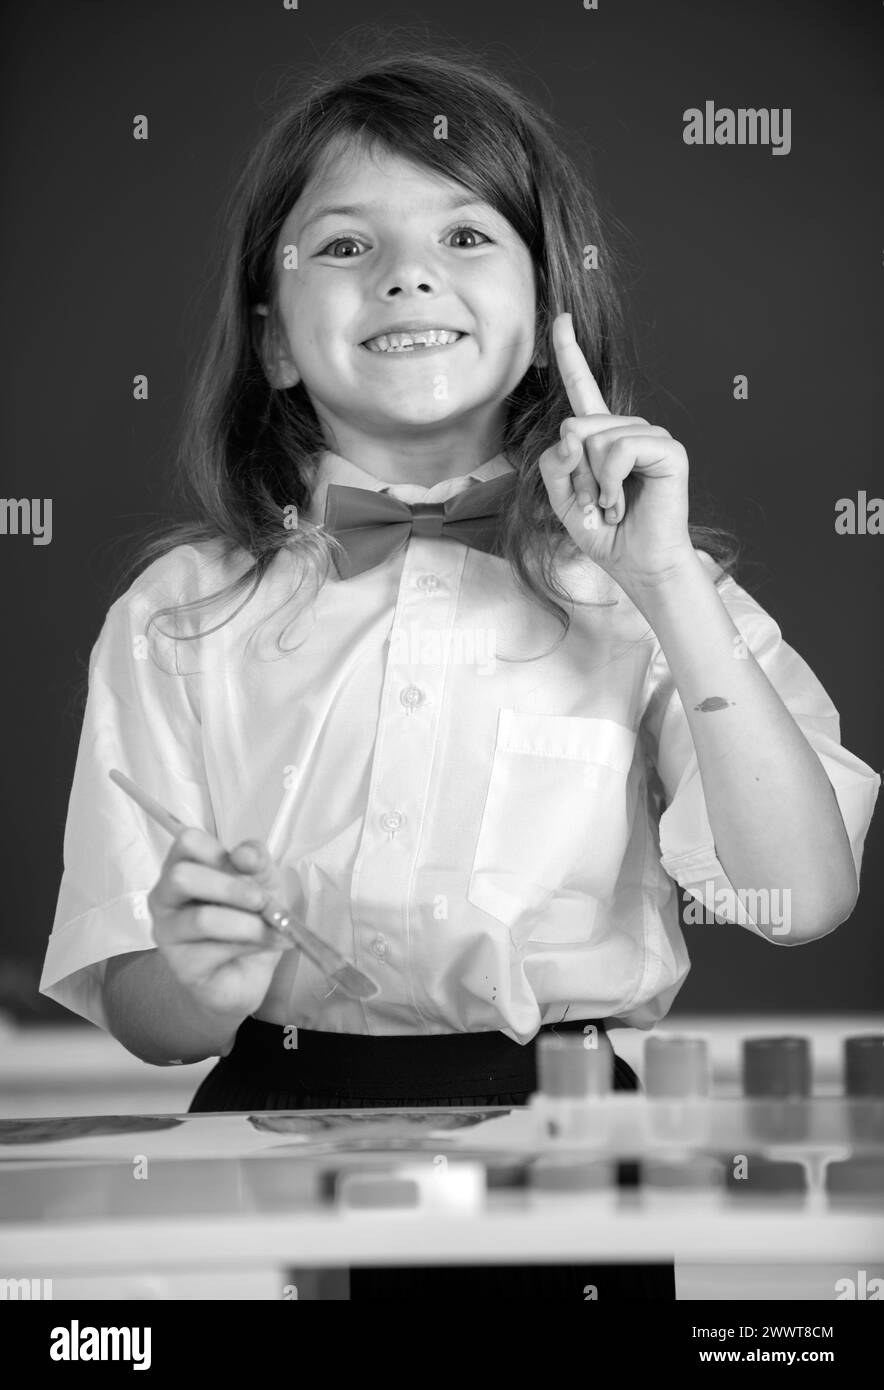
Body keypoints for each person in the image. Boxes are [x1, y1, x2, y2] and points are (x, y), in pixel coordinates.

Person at [40, 43, 880, 1300]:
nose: (406, 271)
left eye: (466, 234)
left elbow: (795, 897)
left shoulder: (656, 598)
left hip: (570, 1139)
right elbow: (151, 1019)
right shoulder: (175, 615)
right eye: (342, 246)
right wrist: (196, 979)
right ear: (272, 343)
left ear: (549, 326)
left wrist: (663, 587)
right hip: (264, 1132)